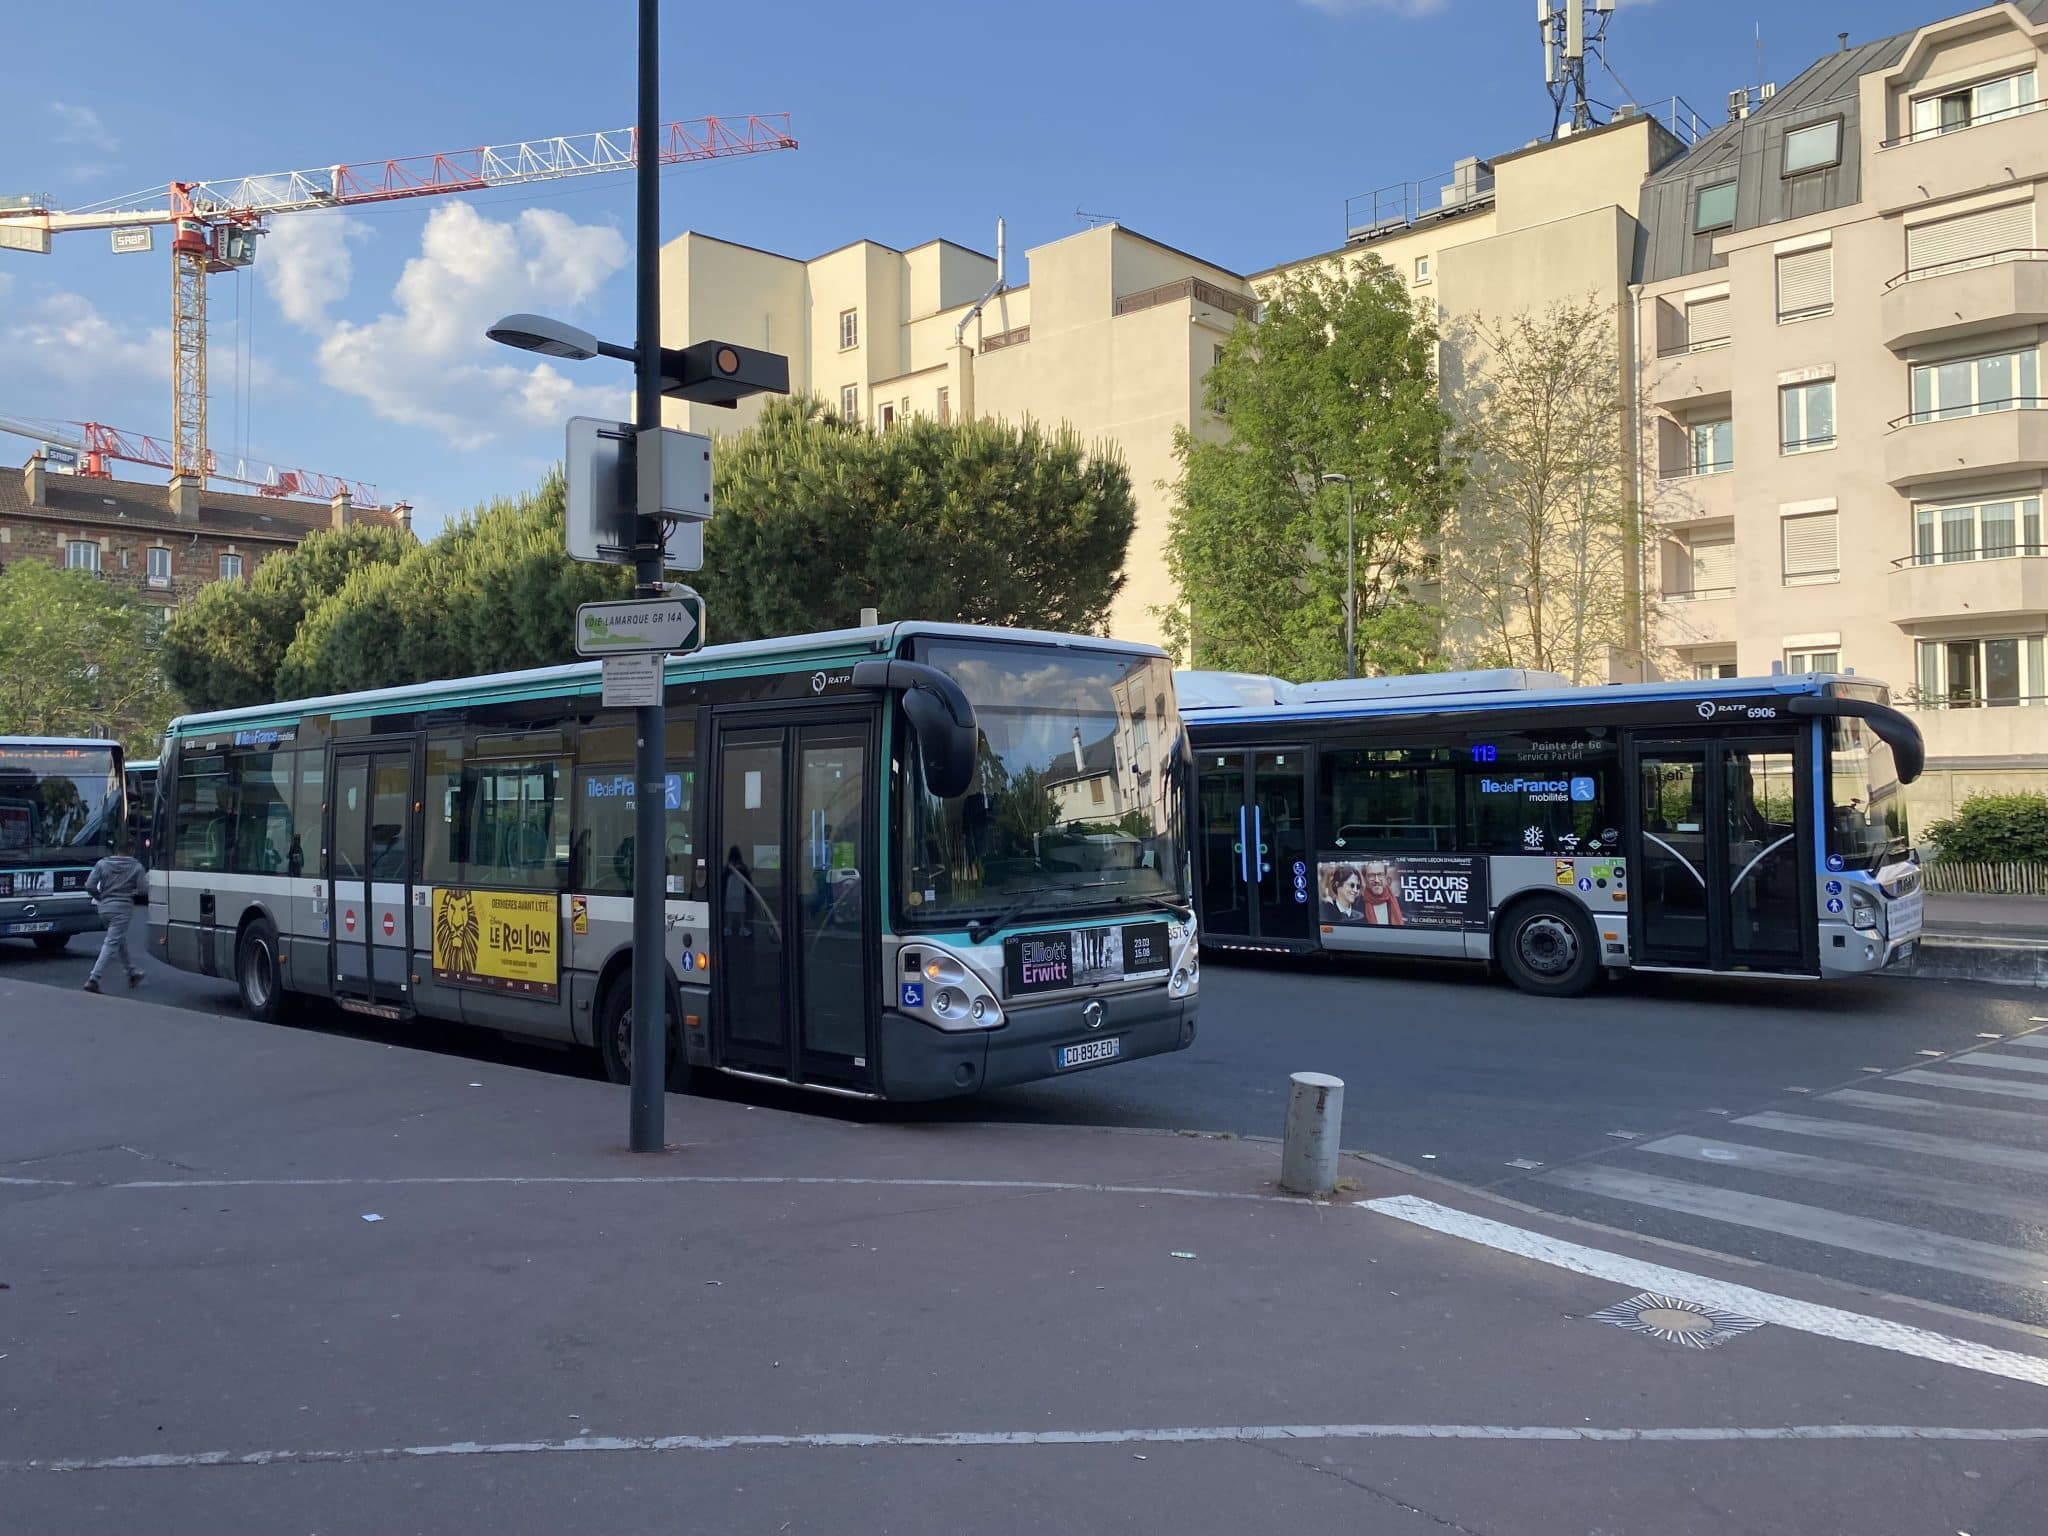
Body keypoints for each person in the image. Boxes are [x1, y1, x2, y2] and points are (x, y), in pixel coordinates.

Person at [82, 835, 147, 994]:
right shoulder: (137, 867)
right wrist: (132, 891)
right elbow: (144, 890)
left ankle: (132, 973)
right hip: (122, 909)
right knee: (111, 942)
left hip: (104, 908)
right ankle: (93, 979)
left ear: (116, 849)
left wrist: (100, 897)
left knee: (119, 939)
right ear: (131, 850)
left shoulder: (102, 864)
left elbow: (89, 885)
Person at [1359, 860, 1406, 926]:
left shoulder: (1400, 903)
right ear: (1364, 879)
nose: (1377, 880)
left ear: (1386, 877)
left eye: (1380, 874)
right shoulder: (1357, 906)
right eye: (1371, 875)